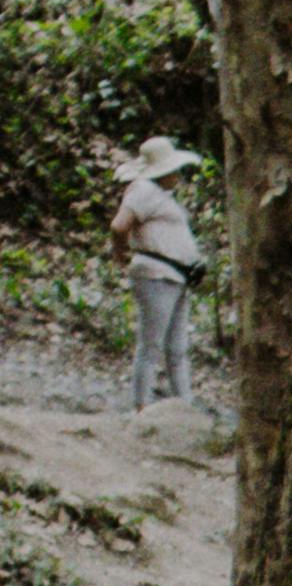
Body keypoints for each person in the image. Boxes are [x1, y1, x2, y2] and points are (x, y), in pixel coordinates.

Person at [109, 141, 204, 411]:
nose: (177, 175)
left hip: (176, 277)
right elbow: (119, 226)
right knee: (151, 346)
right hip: (156, 275)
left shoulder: (161, 195)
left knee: (177, 349)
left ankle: (184, 407)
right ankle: (141, 407)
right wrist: (120, 254)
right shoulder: (143, 190)